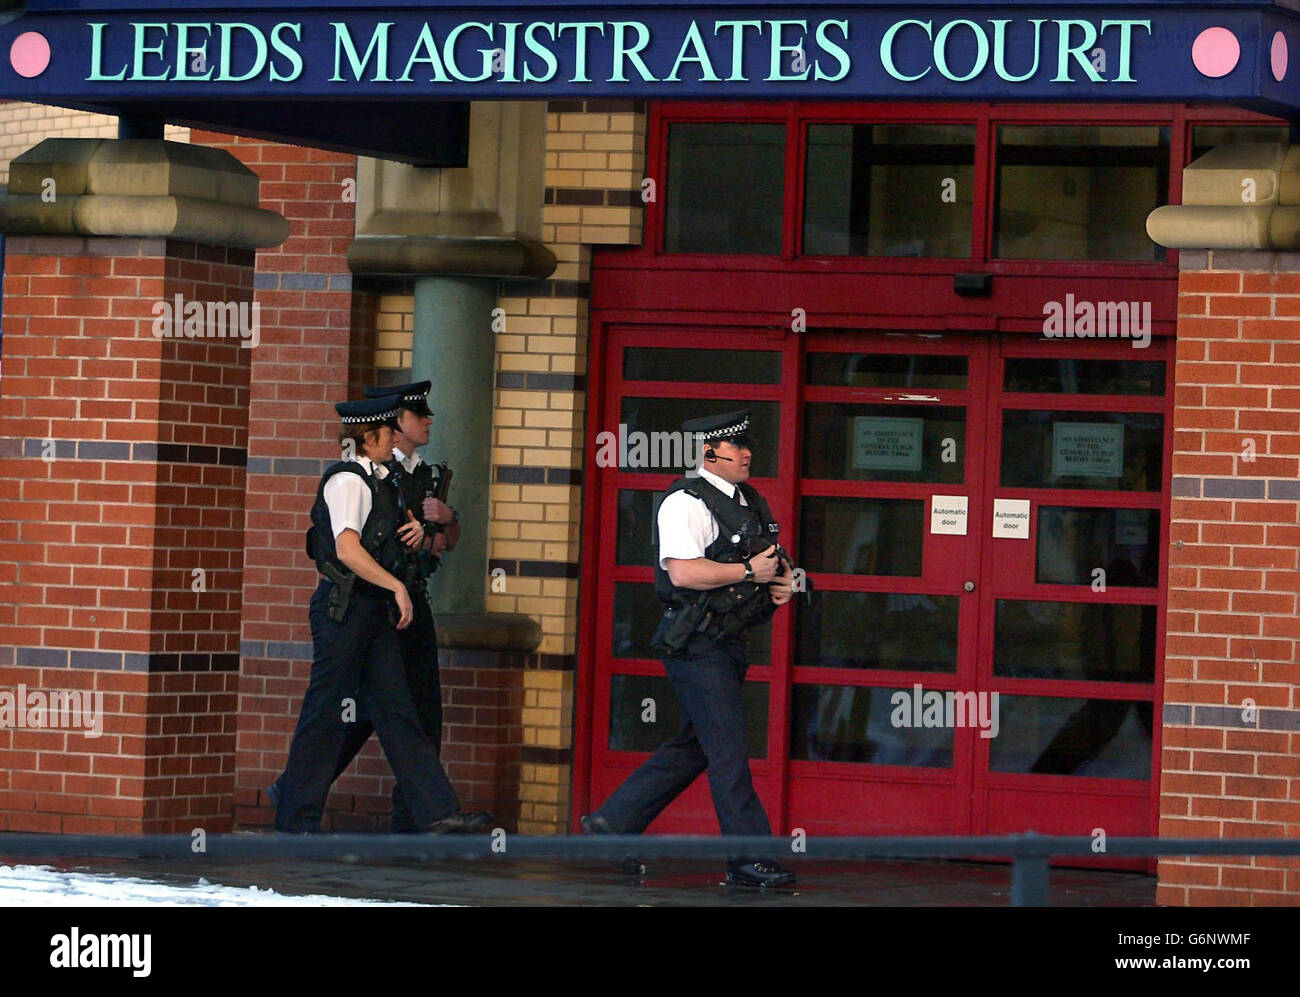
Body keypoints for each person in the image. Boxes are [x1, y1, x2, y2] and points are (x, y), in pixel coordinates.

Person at [581, 409, 798, 888]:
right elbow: (683, 571)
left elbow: (768, 560)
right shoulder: (685, 502)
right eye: (735, 446)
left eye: (747, 445)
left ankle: (612, 824)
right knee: (728, 750)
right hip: (696, 644)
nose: (746, 453)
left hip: (728, 641)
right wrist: (749, 573)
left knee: (695, 747)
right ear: (707, 452)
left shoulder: (748, 500)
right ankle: (748, 859)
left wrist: (783, 582)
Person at [274, 394, 487, 835]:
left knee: (397, 711)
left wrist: (415, 533)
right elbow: (348, 550)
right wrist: (396, 586)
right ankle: (295, 819)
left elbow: (392, 539)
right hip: (345, 610)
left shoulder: (382, 480)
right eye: (389, 432)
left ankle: (436, 812)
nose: (395, 439)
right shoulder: (348, 481)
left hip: (375, 611)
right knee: (326, 711)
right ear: (369, 437)